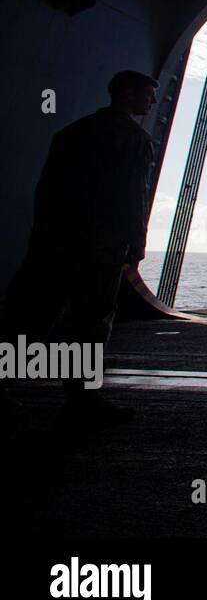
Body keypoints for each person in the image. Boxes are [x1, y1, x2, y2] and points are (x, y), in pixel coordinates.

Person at [0, 70, 158, 426]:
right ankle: (80, 398)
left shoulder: (71, 133)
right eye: (147, 94)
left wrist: (42, 237)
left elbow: (46, 190)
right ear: (128, 94)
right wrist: (137, 241)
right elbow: (133, 195)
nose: (150, 101)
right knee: (90, 320)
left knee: (30, 314)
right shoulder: (133, 138)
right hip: (100, 246)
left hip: (53, 242)